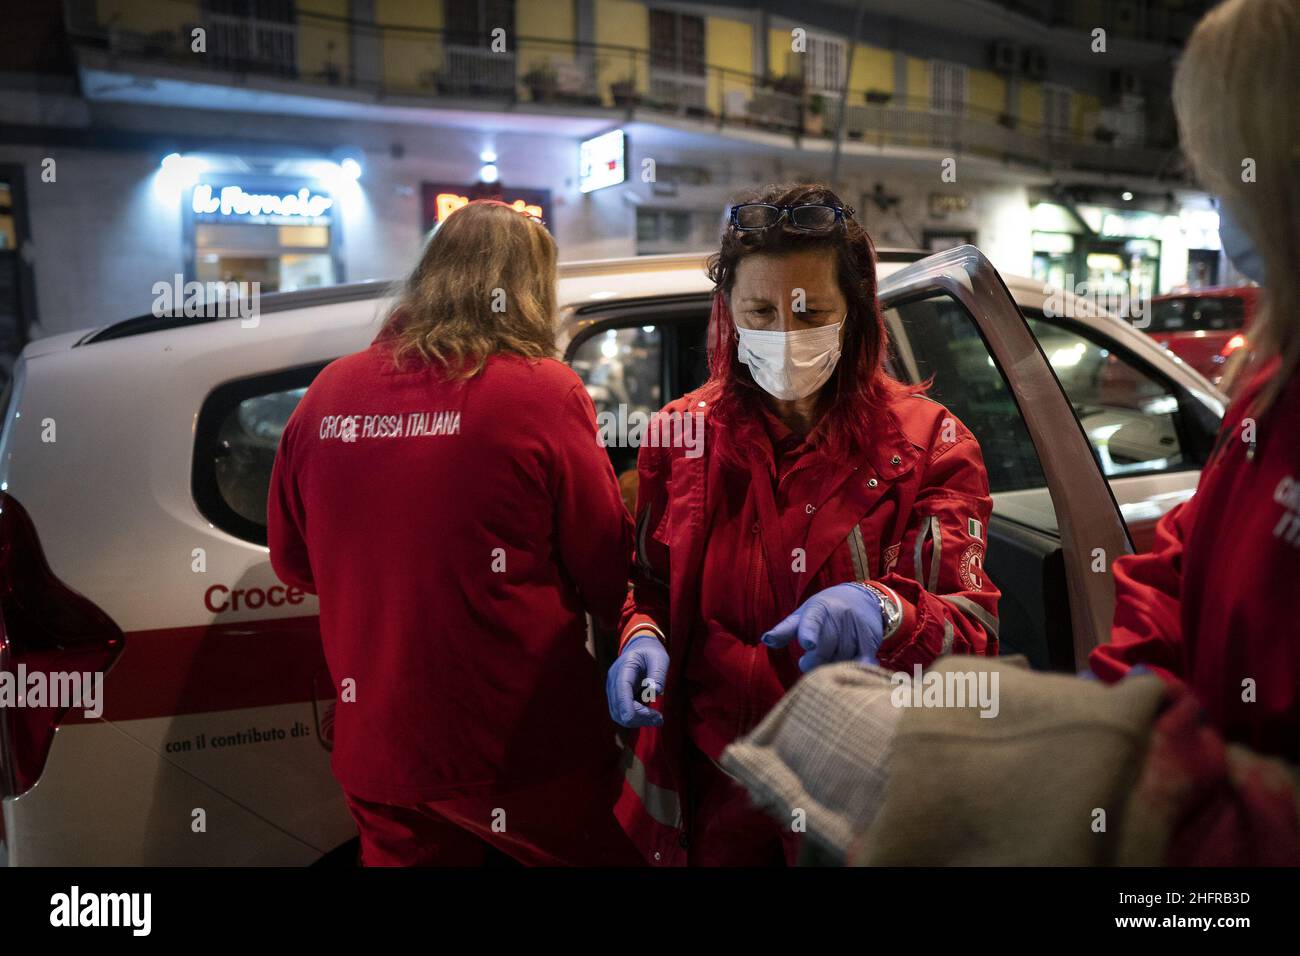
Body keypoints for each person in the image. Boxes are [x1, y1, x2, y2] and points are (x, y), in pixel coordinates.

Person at [605, 183, 1002, 866]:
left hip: (855, 803)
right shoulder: (679, 435)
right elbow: (648, 589)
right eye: (760, 310)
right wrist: (641, 637)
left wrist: (886, 611)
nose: (785, 337)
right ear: (727, 312)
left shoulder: (932, 445)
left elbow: (974, 631)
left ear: (854, 313)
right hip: (711, 795)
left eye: (810, 311)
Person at [267, 200, 642, 866]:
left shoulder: (328, 393)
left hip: (380, 755)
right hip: (523, 749)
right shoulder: (541, 392)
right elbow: (607, 567)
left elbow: (294, 562)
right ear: (528, 291)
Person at [1090, 0, 1300, 764]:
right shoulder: (1275, 372)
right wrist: (1129, 697)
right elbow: (1190, 551)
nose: (1213, 191)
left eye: (1220, 161)